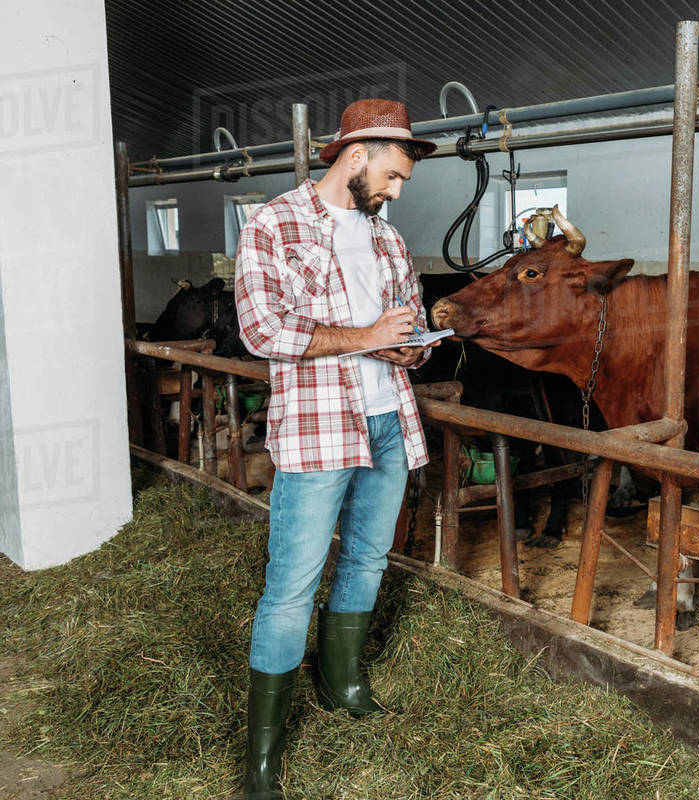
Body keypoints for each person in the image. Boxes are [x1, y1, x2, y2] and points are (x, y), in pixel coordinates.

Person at [233, 98, 439, 799]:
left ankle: (341, 680)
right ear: (356, 156)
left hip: (387, 420)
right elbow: (264, 333)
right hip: (319, 429)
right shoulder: (274, 224)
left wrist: (410, 350)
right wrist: (368, 336)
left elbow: (401, 318)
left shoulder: (388, 240)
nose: (397, 190)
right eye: (393, 174)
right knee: (290, 590)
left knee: (369, 556)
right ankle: (263, 755)